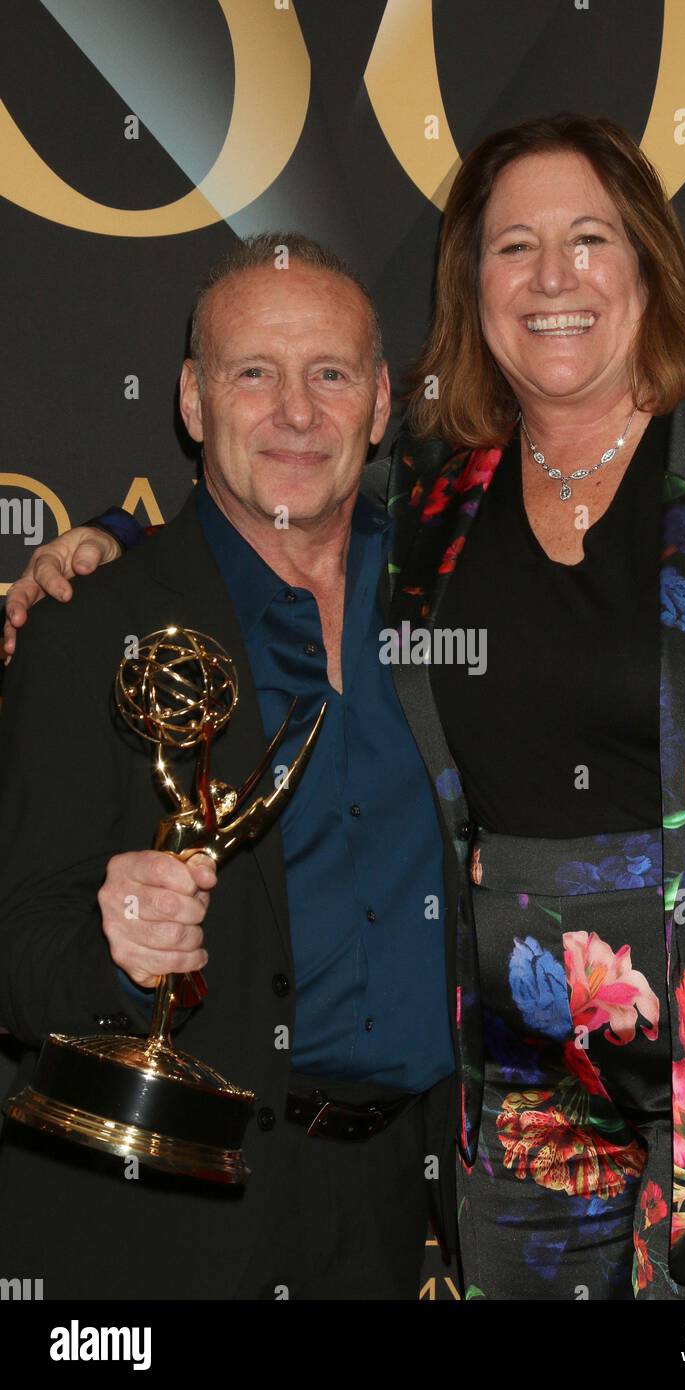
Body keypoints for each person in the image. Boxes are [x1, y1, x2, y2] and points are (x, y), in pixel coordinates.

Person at [7, 113, 685, 1302]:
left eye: (587, 239)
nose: (552, 278)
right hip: (512, 1114)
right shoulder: (446, 505)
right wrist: (102, 540)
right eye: (513, 246)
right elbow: (256, 506)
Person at [0, 233, 457, 1300]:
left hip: (402, 1207)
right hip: (157, 1214)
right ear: (193, 402)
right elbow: (15, 942)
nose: (296, 412)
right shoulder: (91, 628)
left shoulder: (454, 599)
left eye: (329, 374)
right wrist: (114, 950)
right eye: (254, 372)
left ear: (382, 402)